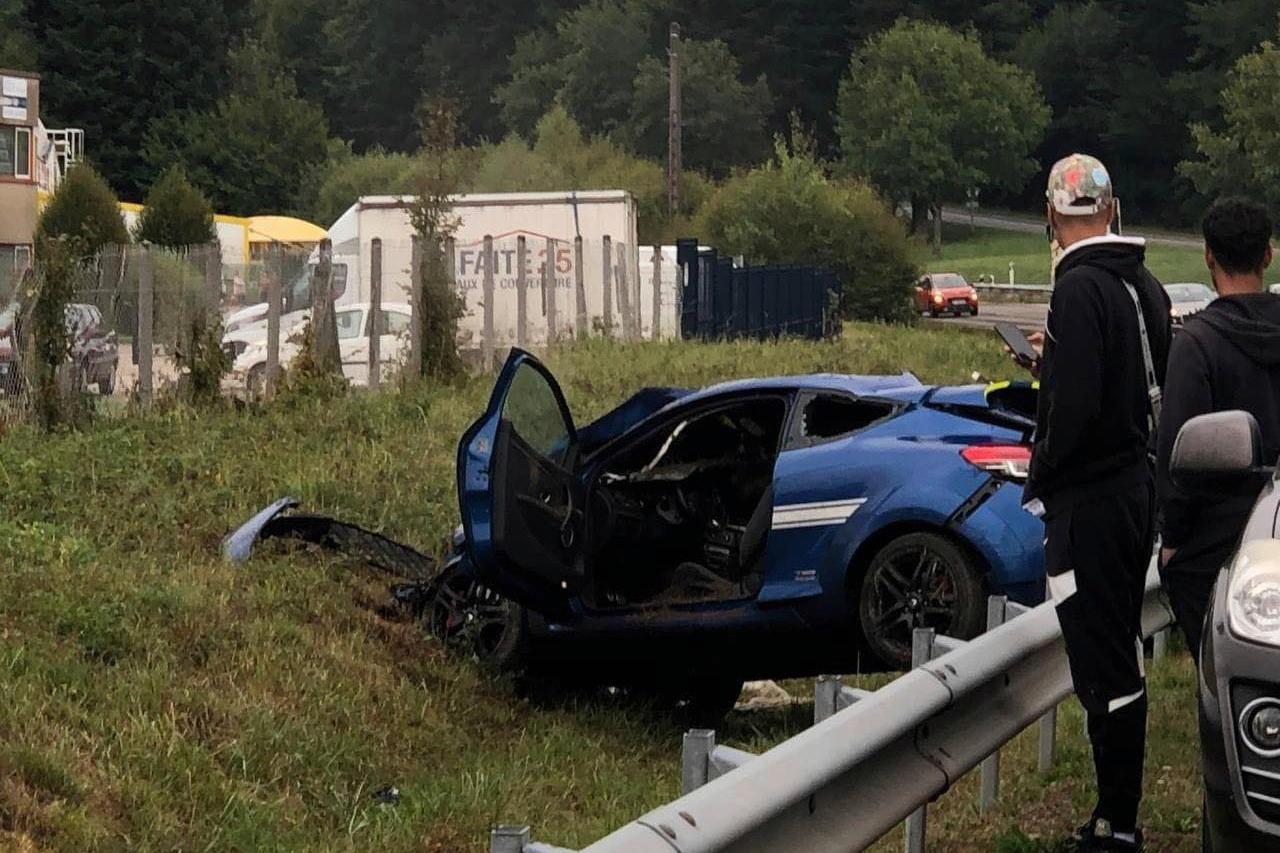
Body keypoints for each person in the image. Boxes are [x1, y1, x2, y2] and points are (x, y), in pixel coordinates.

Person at [1020, 153, 1172, 851]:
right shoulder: (1143, 283)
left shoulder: (1076, 290)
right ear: (1112, 209)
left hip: (1092, 501)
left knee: (1101, 662)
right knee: (1122, 653)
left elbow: (1074, 413)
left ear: (1053, 215)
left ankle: (1117, 821)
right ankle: (1120, 812)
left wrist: (1040, 469)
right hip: (1135, 489)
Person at [1157, 197, 1280, 662]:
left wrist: (1172, 543)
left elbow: (1180, 461)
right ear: (1268, 254)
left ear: (1208, 255)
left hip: (1221, 546)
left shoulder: (1197, 344)